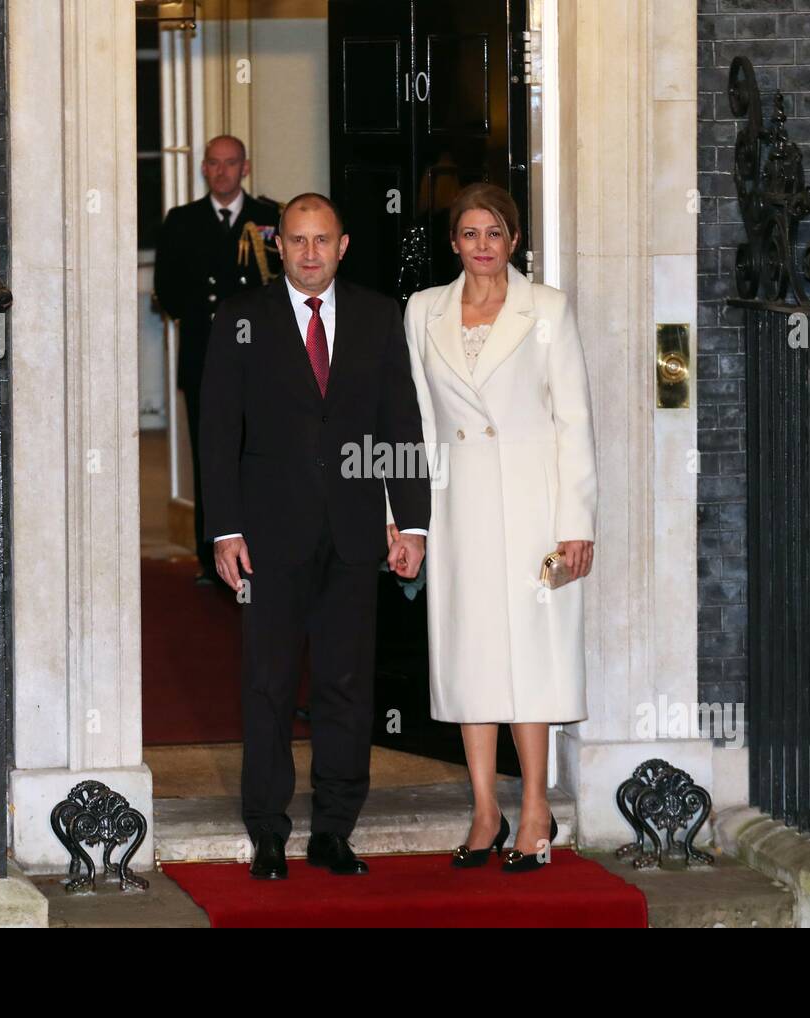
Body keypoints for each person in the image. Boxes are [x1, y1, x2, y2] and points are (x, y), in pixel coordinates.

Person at [199, 192, 430, 879]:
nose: (308, 252)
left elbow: (401, 424)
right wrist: (224, 529)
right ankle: (268, 831)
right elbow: (217, 431)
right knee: (267, 685)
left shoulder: (378, 315)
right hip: (268, 534)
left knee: (347, 686)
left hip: (356, 534)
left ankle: (333, 828)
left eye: (321, 240)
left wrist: (412, 521)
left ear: (343, 245)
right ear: (279, 246)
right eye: (296, 240)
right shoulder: (242, 318)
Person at [401, 182, 597, 873]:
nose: (482, 246)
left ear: (514, 241)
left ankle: (536, 805)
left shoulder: (547, 309)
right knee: (471, 654)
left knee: (532, 655)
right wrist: (409, 521)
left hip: (534, 505)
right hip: (459, 506)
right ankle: (486, 807)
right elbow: (418, 422)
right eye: (470, 233)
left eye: (495, 233)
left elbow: (573, 418)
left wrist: (576, 521)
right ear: (453, 242)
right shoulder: (422, 310)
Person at [154, 135, 282, 584]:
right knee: (213, 456)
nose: (223, 171)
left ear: (245, 168)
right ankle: (212, 557)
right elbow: (167, 292)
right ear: (204, 169)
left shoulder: (270, 218)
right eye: (214, 164)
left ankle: (264, 545)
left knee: (263, 452)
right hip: (205, 358)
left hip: (262, 363)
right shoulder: (181, 221)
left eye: (231, 163)